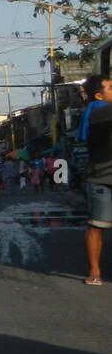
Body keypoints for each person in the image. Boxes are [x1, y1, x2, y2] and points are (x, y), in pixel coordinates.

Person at [77, 74, 112, 285]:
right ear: (98, 95)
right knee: (97, 225)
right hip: (101, 178)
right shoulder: (97, 110)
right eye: (111, 87)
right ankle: (95, 271)